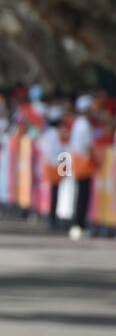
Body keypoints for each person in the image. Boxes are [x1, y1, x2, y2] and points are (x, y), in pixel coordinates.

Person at [68, 95, 96, 240]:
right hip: (84, 163)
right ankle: (79, 225)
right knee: (82, 197)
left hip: (80, 163)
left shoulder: (79, 123)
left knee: (80, 196)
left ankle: (78, 224)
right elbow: (87, 146)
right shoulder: (84, 124)